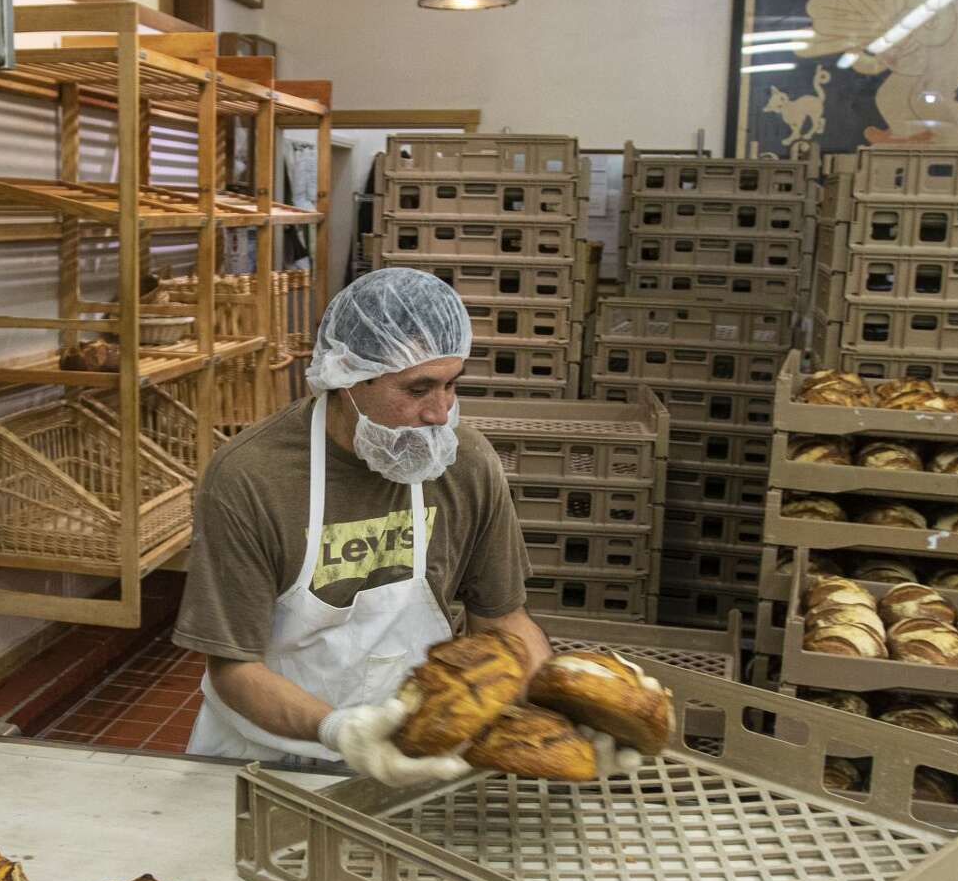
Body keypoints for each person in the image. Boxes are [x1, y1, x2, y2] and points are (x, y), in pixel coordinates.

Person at [173, 267, 634, 785]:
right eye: (418, 389)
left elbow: (503, 623)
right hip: (258, 758)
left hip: (417, 753)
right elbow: (235, 668)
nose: (440, 412)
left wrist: (565, 710)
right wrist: (340, 731)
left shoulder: (465, 465)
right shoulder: (252, 478)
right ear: (346, 376)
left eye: (451, 384)